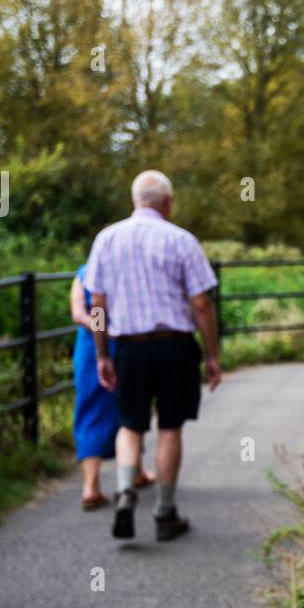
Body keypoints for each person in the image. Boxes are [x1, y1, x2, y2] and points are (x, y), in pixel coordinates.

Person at [83, 170, 221, 541]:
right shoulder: (181, 240)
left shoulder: (107, 239)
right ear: (168, 203)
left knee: (130, 424)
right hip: (174, 345)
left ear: (134, 201)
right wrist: (212, 355)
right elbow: (201, 303)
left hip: (128, 347)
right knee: (169, 427)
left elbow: (96, 303)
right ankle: (164, 512)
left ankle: (126, 492)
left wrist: (102, 354)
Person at [70, 267, 154, 508]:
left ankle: (90, 487)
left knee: (89, 411)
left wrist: (98, 328)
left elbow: (79, 314)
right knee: (133, 407)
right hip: (125, 344)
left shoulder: (85, 273)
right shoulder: (126, 268)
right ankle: (135, 473)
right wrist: (110, 330)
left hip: (89, 348)